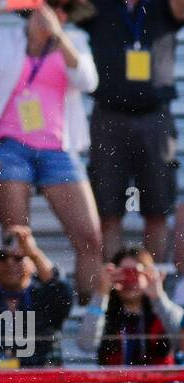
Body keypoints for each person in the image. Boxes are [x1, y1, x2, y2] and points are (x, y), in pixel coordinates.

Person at [0, 0, 102, 302]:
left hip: (58, 150)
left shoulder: (74, 40)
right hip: (9, 144)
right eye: (52, 6)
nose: (56, 14)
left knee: (90, 238)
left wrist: (60, 38)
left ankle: (90, 319)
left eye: (65, 10)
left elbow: (88, 81)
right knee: (16, 239)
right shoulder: (6, 38)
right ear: (35, 8)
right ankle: (23, 317)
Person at [82, 0, 184, 262]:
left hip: (154, 115)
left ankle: (152, 291)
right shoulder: (97, 4)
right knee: (108, 212)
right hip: (109, 114)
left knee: (157, 211)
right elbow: (57, 8)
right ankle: (114, 290)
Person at [79, 246, 184, 383]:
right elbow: (86, 343)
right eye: (123, 273)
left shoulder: (160, 310)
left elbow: (180, 339)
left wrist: (157, 296)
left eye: (136, 273)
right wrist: (102, 293)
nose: (130, 280)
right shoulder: (105, 311)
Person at [0, 226, 74, 371]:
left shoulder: (44, 296)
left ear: (32, 264)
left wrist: (35, 254)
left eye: (18, 257)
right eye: (1, 257)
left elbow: (64, 295)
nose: (9, 263)